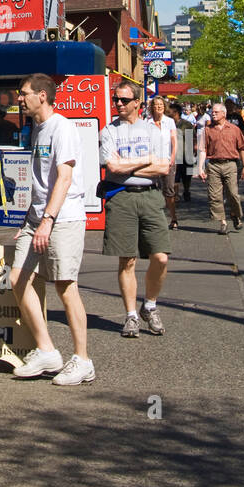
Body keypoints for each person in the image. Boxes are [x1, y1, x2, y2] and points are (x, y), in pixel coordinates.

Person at [9, 73, 93, 385]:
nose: (20, 99)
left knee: (65, 285)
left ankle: (83, 359)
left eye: (24, 93)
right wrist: (30, 220)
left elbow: (64, 177)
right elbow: (40, 182)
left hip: (63, 216)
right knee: (18, 277)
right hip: (37, 217)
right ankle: (47, 350)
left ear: (42, 95)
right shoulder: (38, 129)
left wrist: (48, 220)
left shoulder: (62, 127)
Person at [99, 83, 171, 337]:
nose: (118, 104)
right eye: (115, 99)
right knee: (127, 259)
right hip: (122, 197)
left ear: (137, 103)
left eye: (123, 100)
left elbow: (163, 168)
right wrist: (145, 161)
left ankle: (150, 305)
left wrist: (127, 165)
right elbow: (113, 168)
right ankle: (131, 315)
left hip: (151, 196)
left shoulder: (153, 131)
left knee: (160, 257)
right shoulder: (108, 131)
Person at [198, 101, 244, 233]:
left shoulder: (234, 129)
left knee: (233, 193)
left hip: (231, 164)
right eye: (212, 112)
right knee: (215, 196)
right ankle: (223, 222)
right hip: (214, 165)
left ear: (223, 114)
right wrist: (200, 168)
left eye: (216, 112)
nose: (213, 114)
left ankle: (235, 214)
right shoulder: (208, 130)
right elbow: (203, 149)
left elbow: (242, 148)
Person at [149, 95, 178, 228]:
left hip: (167, 161)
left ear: (164, 107)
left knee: (169, 191)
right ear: (152, 107)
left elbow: (174, 141)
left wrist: (172, 158)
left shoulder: (169, 122)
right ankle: (157, 219)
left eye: (161, 104)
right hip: (153, 162)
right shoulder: (147, 122)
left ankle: (173, 218)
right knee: (154, 191)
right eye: (156, 104)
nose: (159, 106)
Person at [168, 100, 193, 202]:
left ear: (176, 112)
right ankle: (176, 195)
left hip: (186, 154)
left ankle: (186, 190)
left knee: (187, 177)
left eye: (170, 112)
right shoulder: (168, 124)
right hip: (174, 156)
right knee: (175, 177)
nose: (168, 113)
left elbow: (191, 139)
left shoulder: (186, 124)